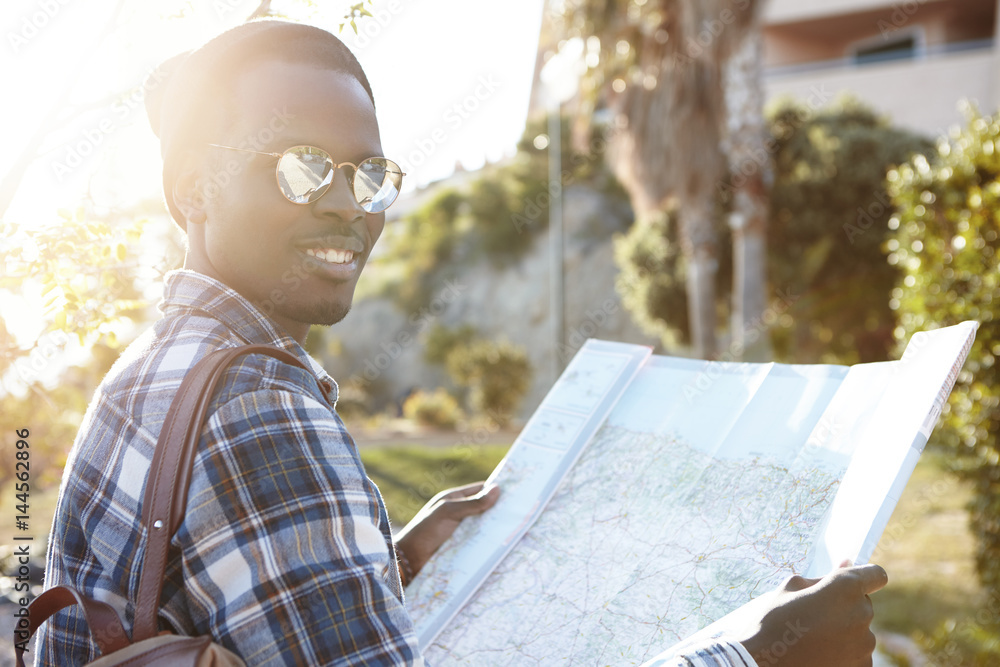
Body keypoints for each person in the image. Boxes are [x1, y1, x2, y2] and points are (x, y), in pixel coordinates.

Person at [37, 20, 887, 666]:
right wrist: (749, 650)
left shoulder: (156, 364)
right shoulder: (258, 410)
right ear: (193, 190)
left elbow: (227, 595)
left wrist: (392, 557)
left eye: (369, 174)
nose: (348, 205)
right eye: (299, 166)